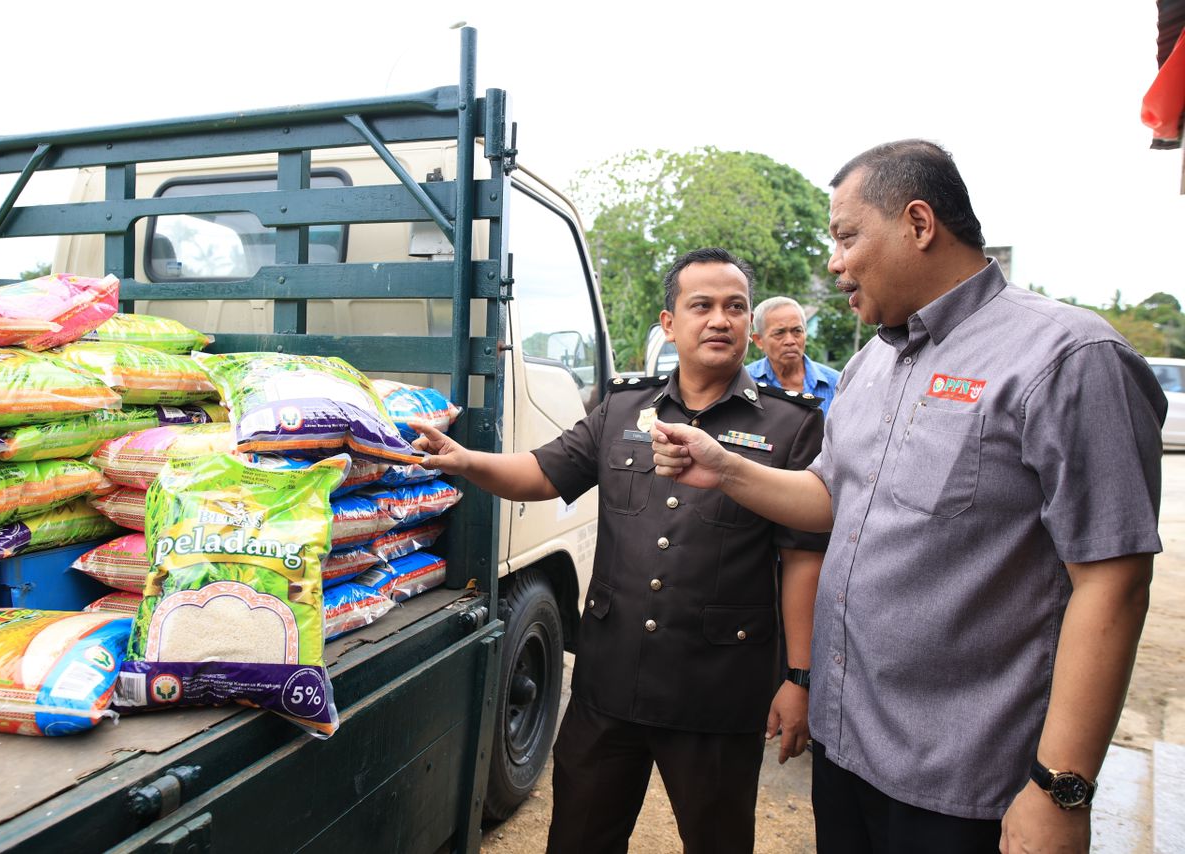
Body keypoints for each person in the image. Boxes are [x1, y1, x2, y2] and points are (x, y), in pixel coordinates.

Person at [651, 141, 1167, 853]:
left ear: (919, 224)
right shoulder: (872, 362)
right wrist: (725, 468)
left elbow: (1113, 582)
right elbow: (833, 498)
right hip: (849, 751)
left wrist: (1060, 788)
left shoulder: (1068, 359)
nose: (834, 263)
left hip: (967, 781)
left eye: (846, 236)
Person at [413, 247, 828, 854]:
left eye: (735, 307)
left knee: (718, 841)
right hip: (610, 685)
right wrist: (465, 461)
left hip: (717, 690)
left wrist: (799, 677)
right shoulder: (626, 407)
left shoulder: (789, 426)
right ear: (668, 323)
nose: (720, 320)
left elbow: (802, 558)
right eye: (702, 306)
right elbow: (542, 473)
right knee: (579, 837)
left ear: (749, 326)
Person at [745, 296, 840, 415]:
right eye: (779, 333)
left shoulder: (837, 384)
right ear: (759, 340)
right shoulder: (744, 382)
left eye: (797, 331)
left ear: (805, 333)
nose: (790, 341)